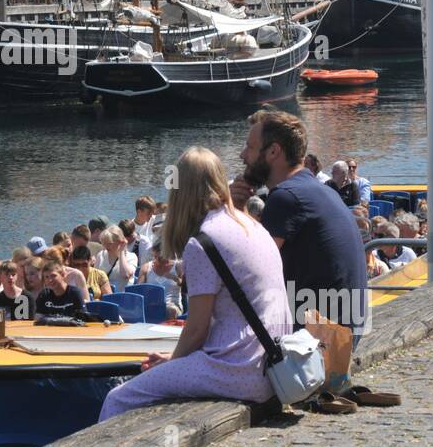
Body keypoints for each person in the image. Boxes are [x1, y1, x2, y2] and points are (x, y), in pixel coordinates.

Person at [99, 146, 292, 421]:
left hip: (238, 371)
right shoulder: (253, 226)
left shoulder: (202, 243)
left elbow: (197, 330)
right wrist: (176, 362)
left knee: (118, 398)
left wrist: (175, 363)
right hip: (272, 367)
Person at [234, 111, 368, 341]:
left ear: (273, 152)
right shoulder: (320, 191)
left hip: (313, 347)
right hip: (342, 335)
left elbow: (248, 270)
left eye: (250, 147)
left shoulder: (286, 197)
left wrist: (233, 210)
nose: (242, 155)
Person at [136, 247, 184, 319]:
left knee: (169, 310)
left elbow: (186, 288)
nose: (158, 260)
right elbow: (138, 289)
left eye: (161, 258)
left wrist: (175, 278)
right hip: (151, 304)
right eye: (156, 257)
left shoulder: (178, 266)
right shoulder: (146, 267)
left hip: (172, 305)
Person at [95, 226, 138, 291]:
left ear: (120, 242)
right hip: (104, 295)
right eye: (104, 243)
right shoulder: (101, 255)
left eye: (110, 243)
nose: (106, 246)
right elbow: (95, 278)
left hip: (121, 296)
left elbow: (126, 274)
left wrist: (121, 251)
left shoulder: (131, 257)